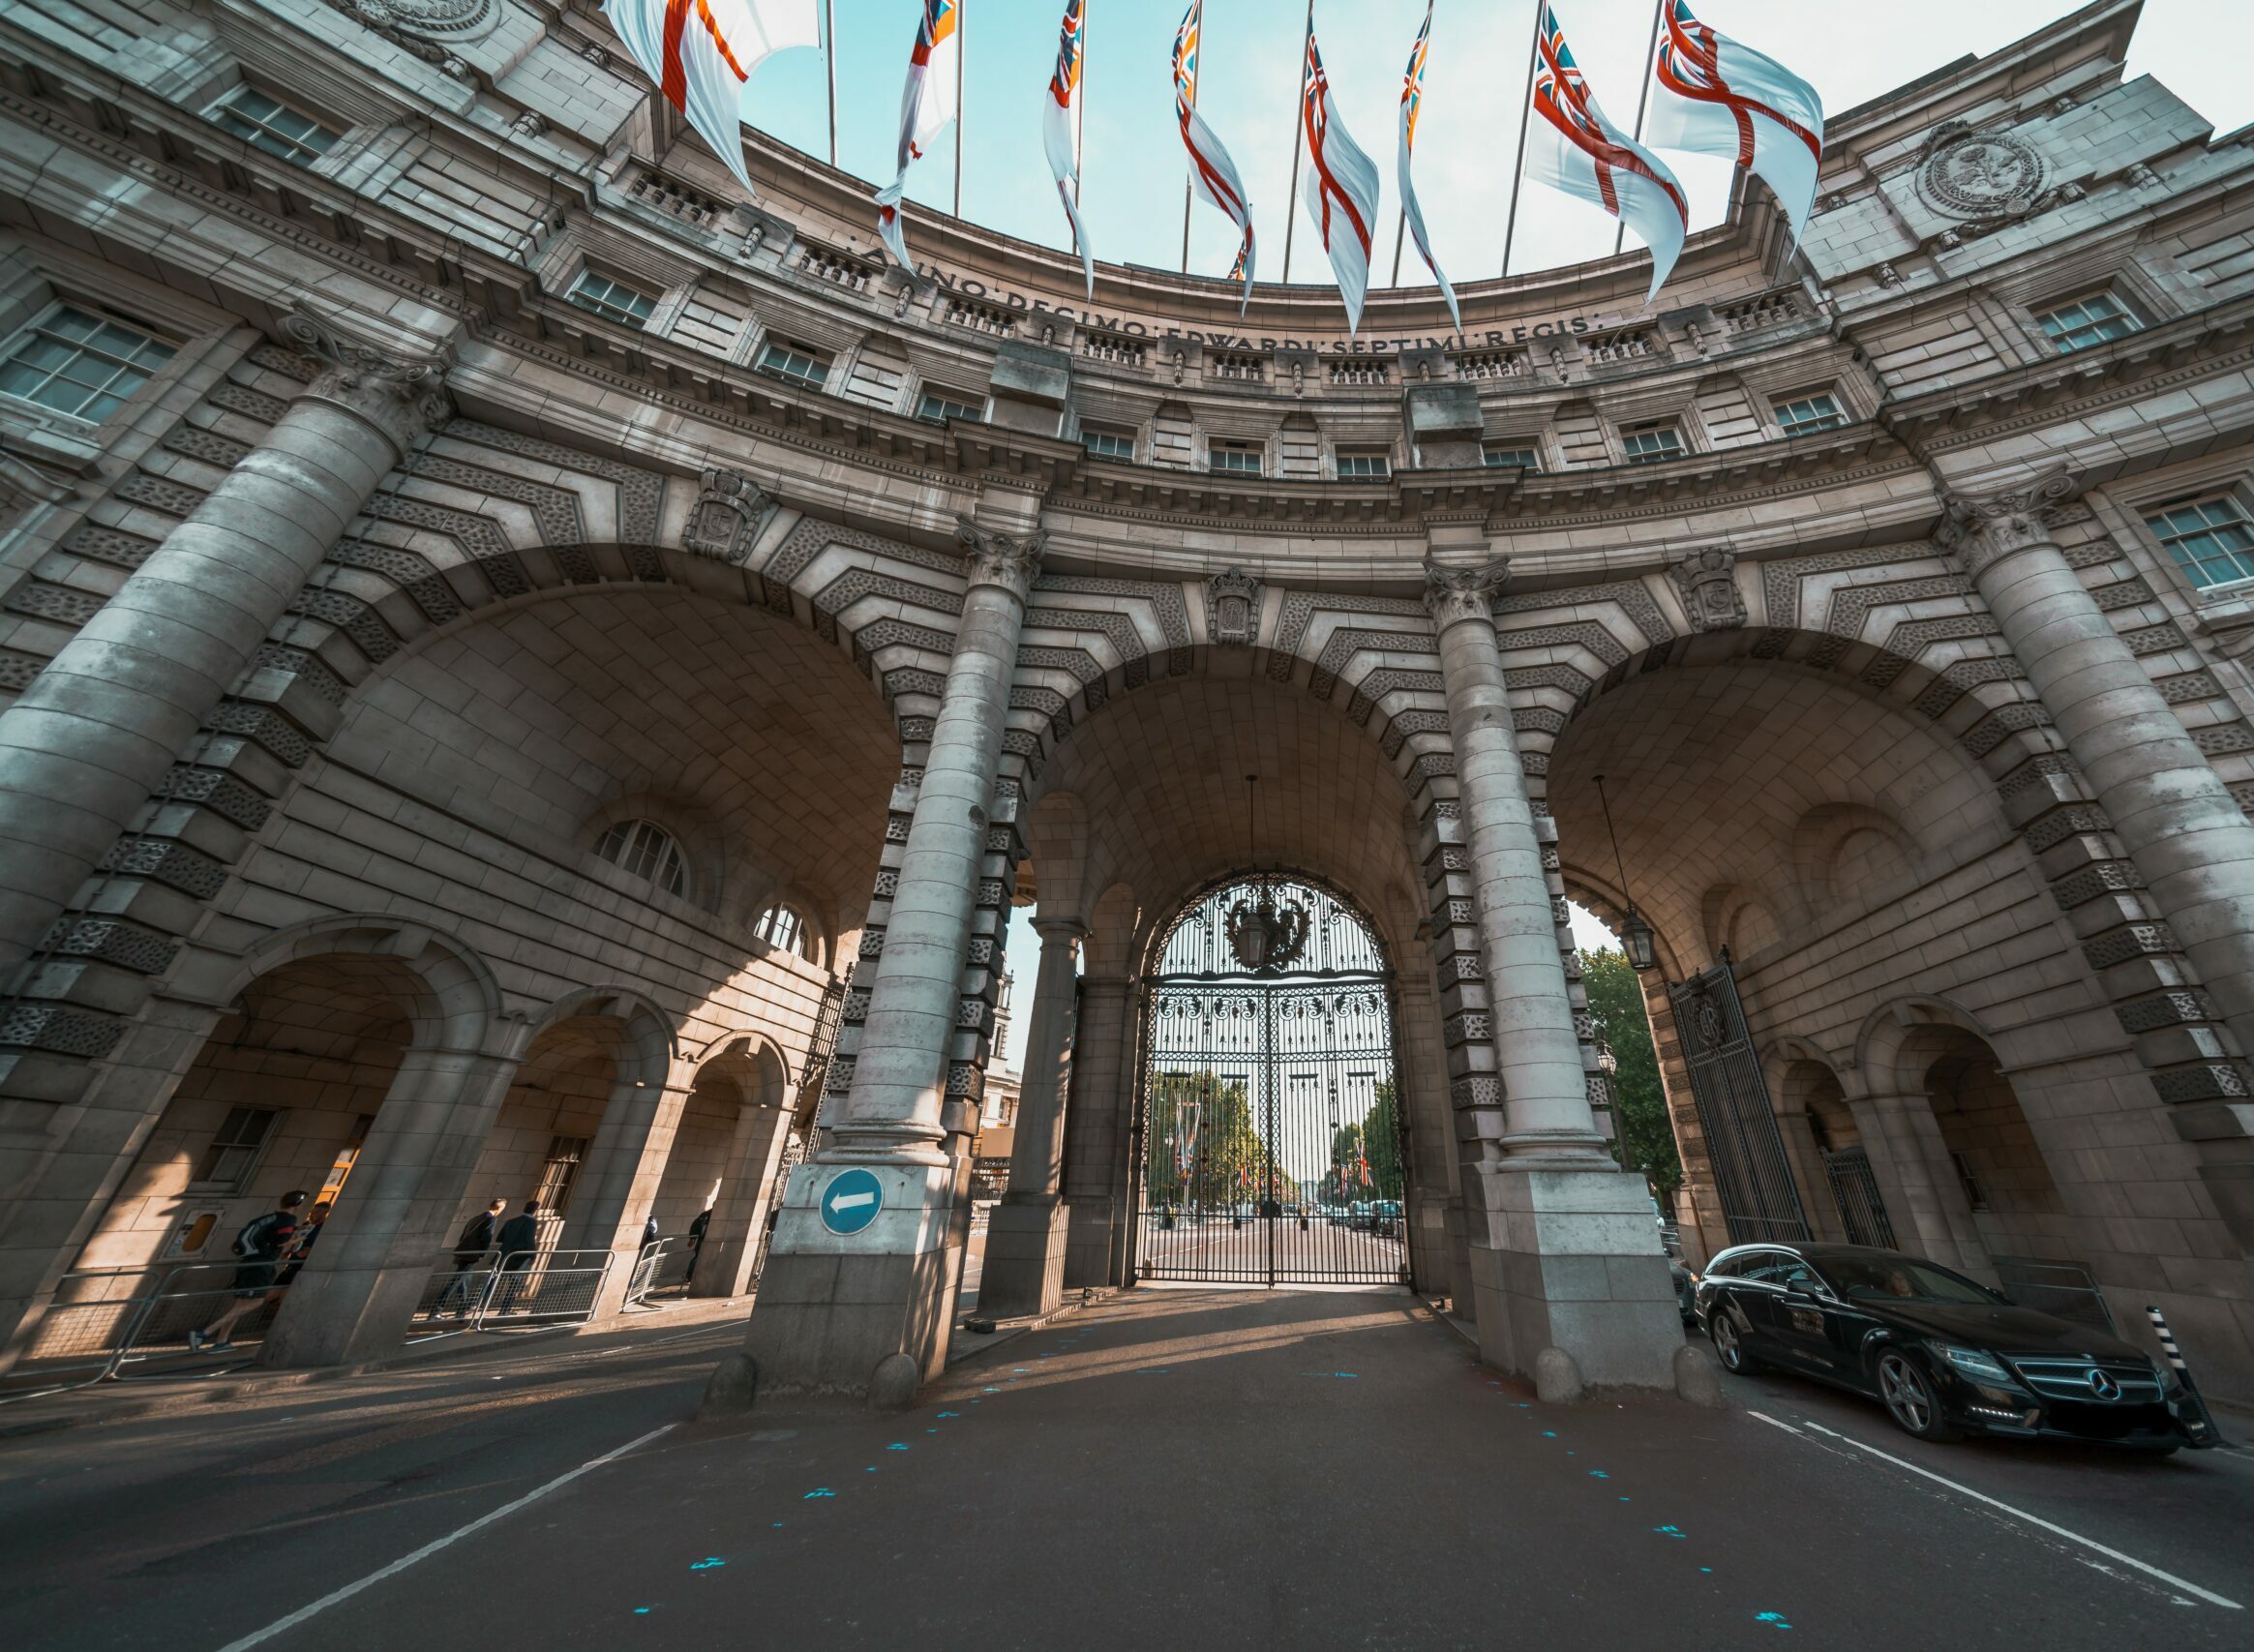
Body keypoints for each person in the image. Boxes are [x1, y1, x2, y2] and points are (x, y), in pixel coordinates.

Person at [188, 1189, 307, 1352]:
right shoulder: (288, 1219)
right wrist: (299, 1239)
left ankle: (222, 1341)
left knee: (240, 1305)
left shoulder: (268, 1219)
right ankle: (204, 1333)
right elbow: (281, 1242)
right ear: (298, 1204)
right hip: (261, 1265)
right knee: (257, 1301)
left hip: (248, 1262)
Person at [435, 1197, 504, 1318]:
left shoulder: (477, 1218)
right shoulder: (491, 1219)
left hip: (464, 1252)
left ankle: (461, 1311)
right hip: (472, 1254)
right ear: (500, 1208)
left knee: (464, 1281)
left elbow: (463, 1236)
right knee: (457, 1281)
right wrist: (482, 1253)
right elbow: (487, 1237)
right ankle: (437, 1309)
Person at [492, 1198, 541, 1313]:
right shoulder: (531, 1222)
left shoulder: (511, 1221)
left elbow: (500, 1238)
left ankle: (480, 1304)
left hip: (504, 1255)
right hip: (519, 1257)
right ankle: (505, 1309)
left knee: (494, 1281)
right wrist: (532, 1255)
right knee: (514, 1285)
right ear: (535, 1211)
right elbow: (529, 1240)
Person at [685, 1205, 712, 1283]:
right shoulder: (710, 1215)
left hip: (701, 1240)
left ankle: (689, 1276)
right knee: (698, 1258)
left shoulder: (705, 1214)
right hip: (704, 1240)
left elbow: (695, 1225)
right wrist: (692, 1239)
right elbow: (697, 1225)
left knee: (698, 1257)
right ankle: (689, 1276)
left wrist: (692, 1239)